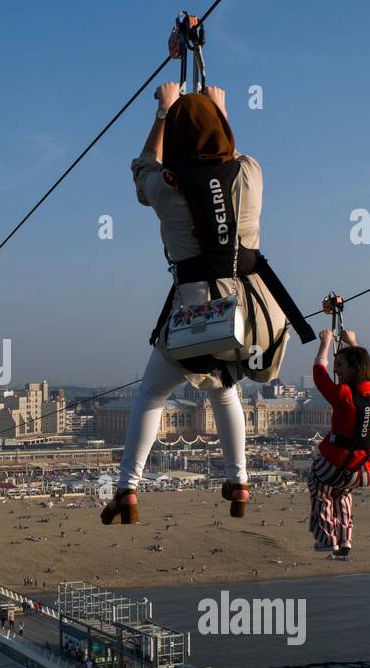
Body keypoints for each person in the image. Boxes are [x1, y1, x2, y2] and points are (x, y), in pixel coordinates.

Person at [103, 34, 309, 527]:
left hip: (201, 314)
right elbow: (230, 156)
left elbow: (140, 171)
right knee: (224, 390)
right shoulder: (251, 174)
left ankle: (128, 490)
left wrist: (163, 111)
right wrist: (219, 110)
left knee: (152, 394)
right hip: (255, 315)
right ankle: (239, 481)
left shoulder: (165, 188)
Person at [308, 327, 370, 559]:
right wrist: (353, 342)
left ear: (353, 369)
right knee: (343, 494)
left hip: (337, 464)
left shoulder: (343, 394)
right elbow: (367, 373)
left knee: (321, 489)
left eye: (341, 366)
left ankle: (327, 539)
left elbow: (319, 373)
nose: (337, 371)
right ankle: (346, 538)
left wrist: (325, 343)